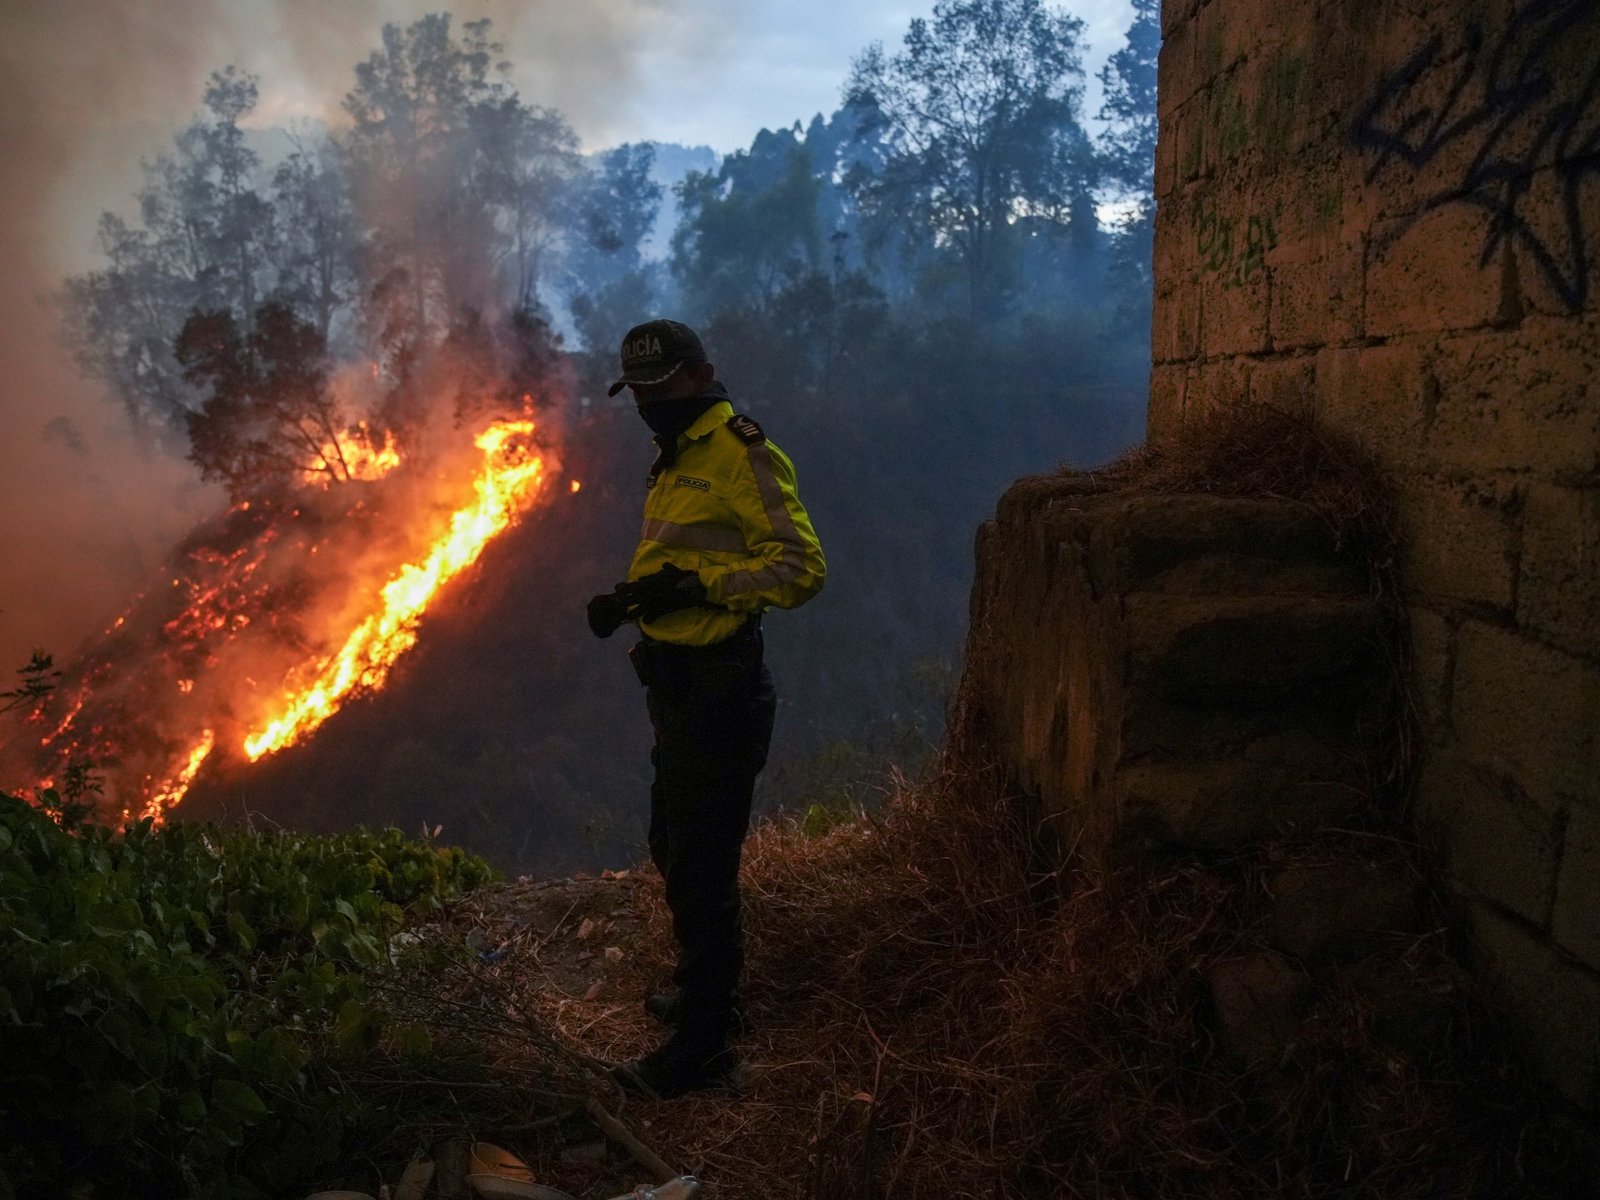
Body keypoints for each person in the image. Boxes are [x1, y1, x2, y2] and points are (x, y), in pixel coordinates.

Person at [586, 319, 826, 1097]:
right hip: (676, 684)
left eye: (663, 385)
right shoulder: (678, 454)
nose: (651, 401)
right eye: (640, 391)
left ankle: (706, 1043)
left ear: (702, 374)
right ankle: (705, 992)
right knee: (673, 841)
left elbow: (798, 568)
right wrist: (635, 601)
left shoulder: (742, 451)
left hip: (721, 687)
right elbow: (691, 551)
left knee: (702, 864)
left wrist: (699, 589)